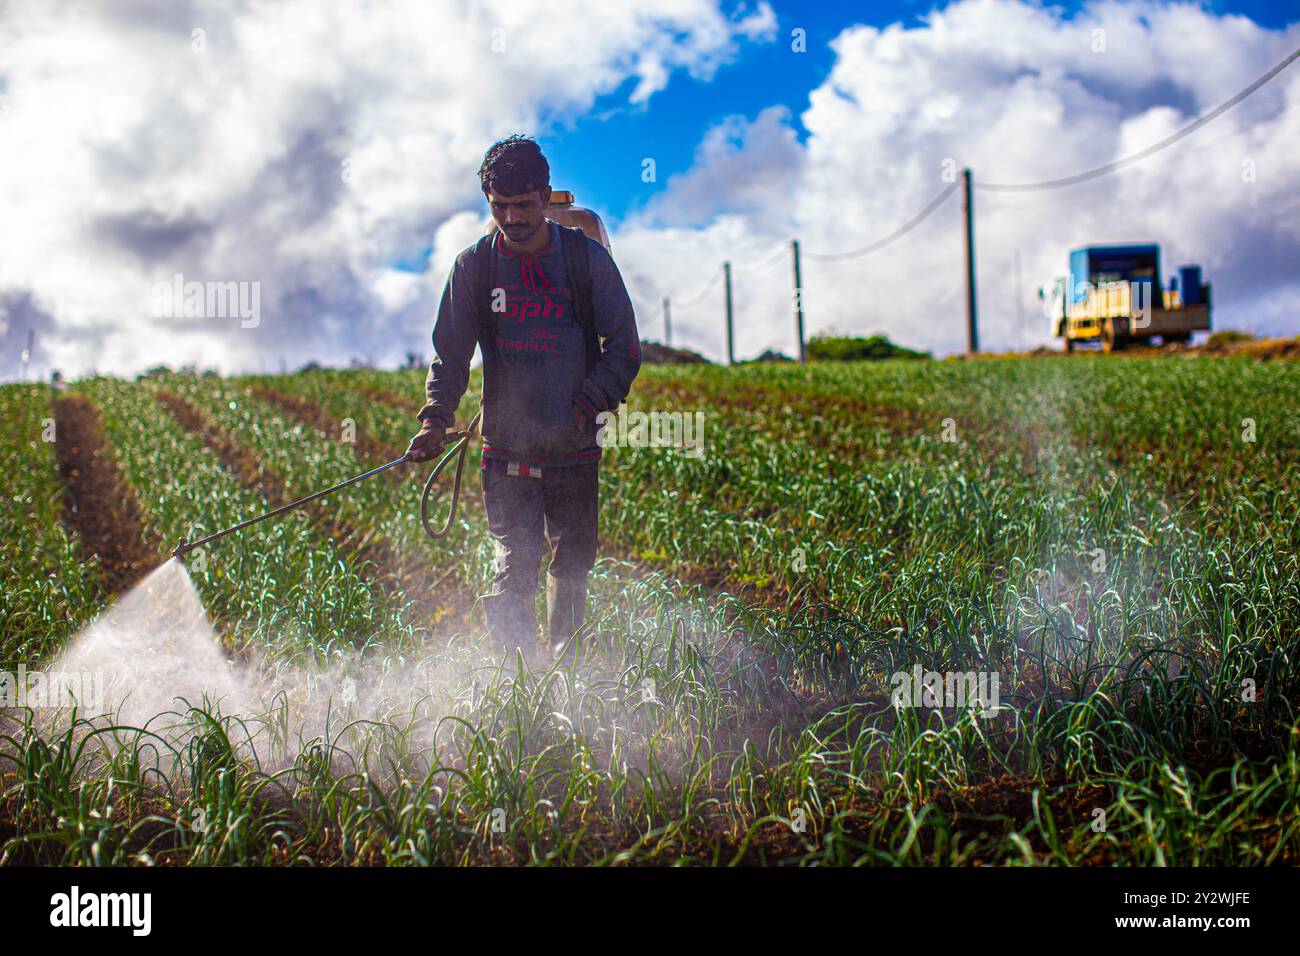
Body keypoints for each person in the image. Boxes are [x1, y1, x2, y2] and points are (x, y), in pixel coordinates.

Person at [407, 135, 642, 661]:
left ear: (545, 195)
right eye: (500, 206)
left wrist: (590, 402)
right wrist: (435, 419)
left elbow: (624, 348)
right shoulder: (475, 268)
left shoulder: (585, 261)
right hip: (507, 450)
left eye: (523, 205)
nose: (512, 217)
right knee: (513, 565)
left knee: (573, 565)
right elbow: (450, 354)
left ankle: (567, 675)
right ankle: (513, 680)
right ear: (489, 202)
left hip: (574, 448)